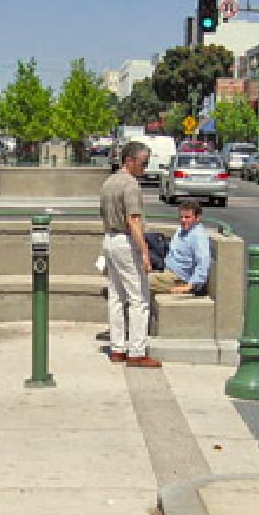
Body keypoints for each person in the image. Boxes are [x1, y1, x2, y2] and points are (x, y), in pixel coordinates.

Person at [99, 140, 160, 367]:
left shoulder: (108, 182)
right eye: (143, 163)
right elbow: (133, 220)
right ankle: (137, 351)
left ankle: (117, 348)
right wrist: (145, 252)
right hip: (125, 242)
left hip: (109, 239)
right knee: (139, 298)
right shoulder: (130, 185)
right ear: (129, 161)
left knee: (116, 296)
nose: (145, 168)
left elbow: (104, 216)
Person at [148, 201, 211, 296]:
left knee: (141, 281)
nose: (183, 220)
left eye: (187, 217)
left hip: (179, 279)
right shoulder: (181, 230)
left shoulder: (198, 236)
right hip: (167, 271)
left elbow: (203, 262)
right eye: (181, 217)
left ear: (197, 218)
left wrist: (190, 286)